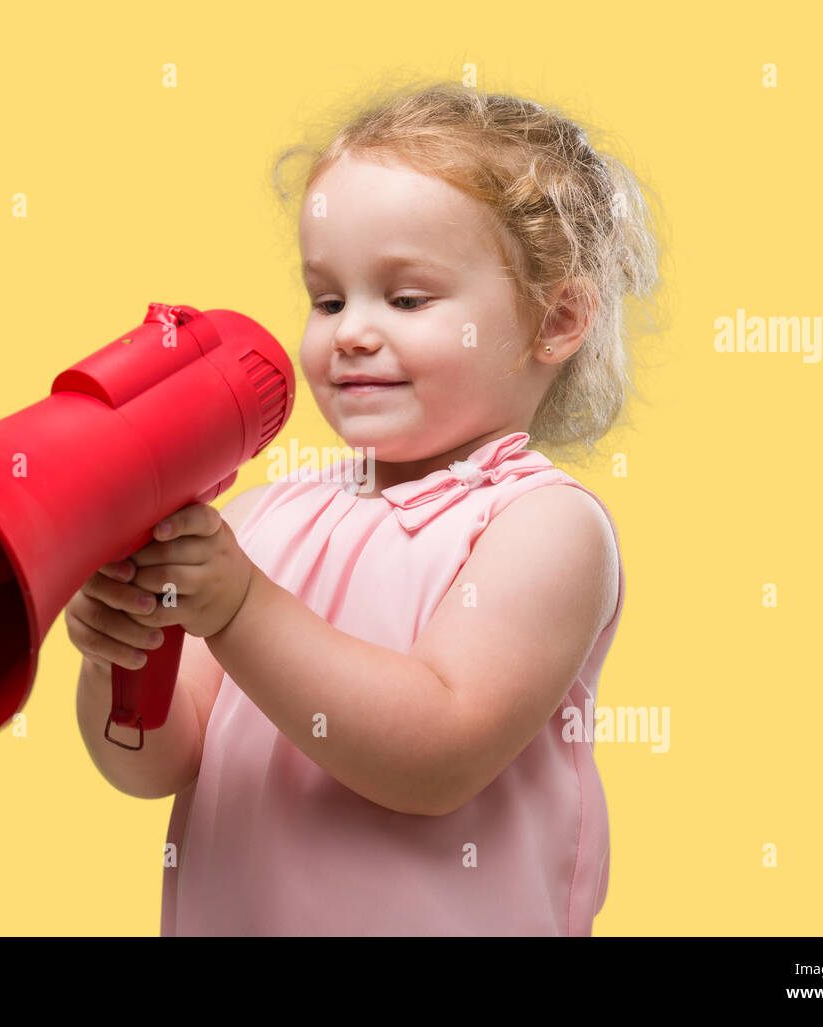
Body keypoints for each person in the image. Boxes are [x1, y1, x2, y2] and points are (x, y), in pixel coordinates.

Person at [68, 80, 661, 935]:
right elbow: (155, 763)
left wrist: (237, 606)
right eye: (328, 298)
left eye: (408, 298)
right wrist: (119, 654)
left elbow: (435, 755)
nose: (349, 331)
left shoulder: (542, 527)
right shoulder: (262, 520)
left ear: (556, 319)